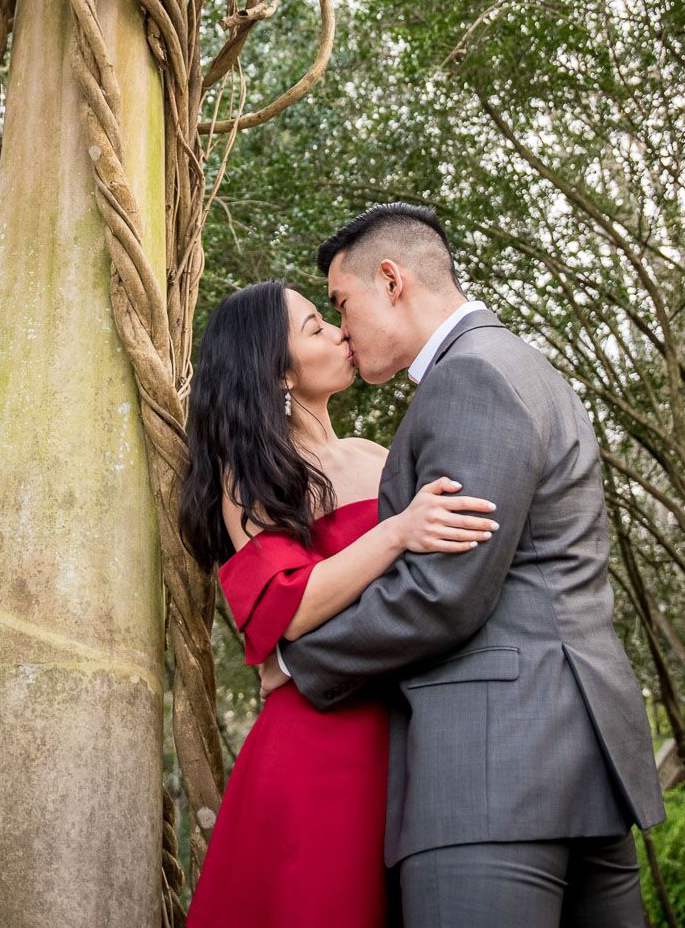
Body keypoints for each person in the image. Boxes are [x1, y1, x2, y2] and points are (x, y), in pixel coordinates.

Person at [262, 203, 665, 928]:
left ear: (391, 280)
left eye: (341, 304)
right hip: (582, 762)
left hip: (492, 771)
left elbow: (445, 592)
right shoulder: (525, 366)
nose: (343, 328)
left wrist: (299, 662)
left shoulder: (468, 377)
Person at [179, 279, 499, 928]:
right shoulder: (258, 475)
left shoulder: (376, 455)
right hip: (321, 747)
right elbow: (284, 606)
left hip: (413, 729)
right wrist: (398, 531)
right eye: (314, 328)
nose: (338, 333)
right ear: (277, 372)